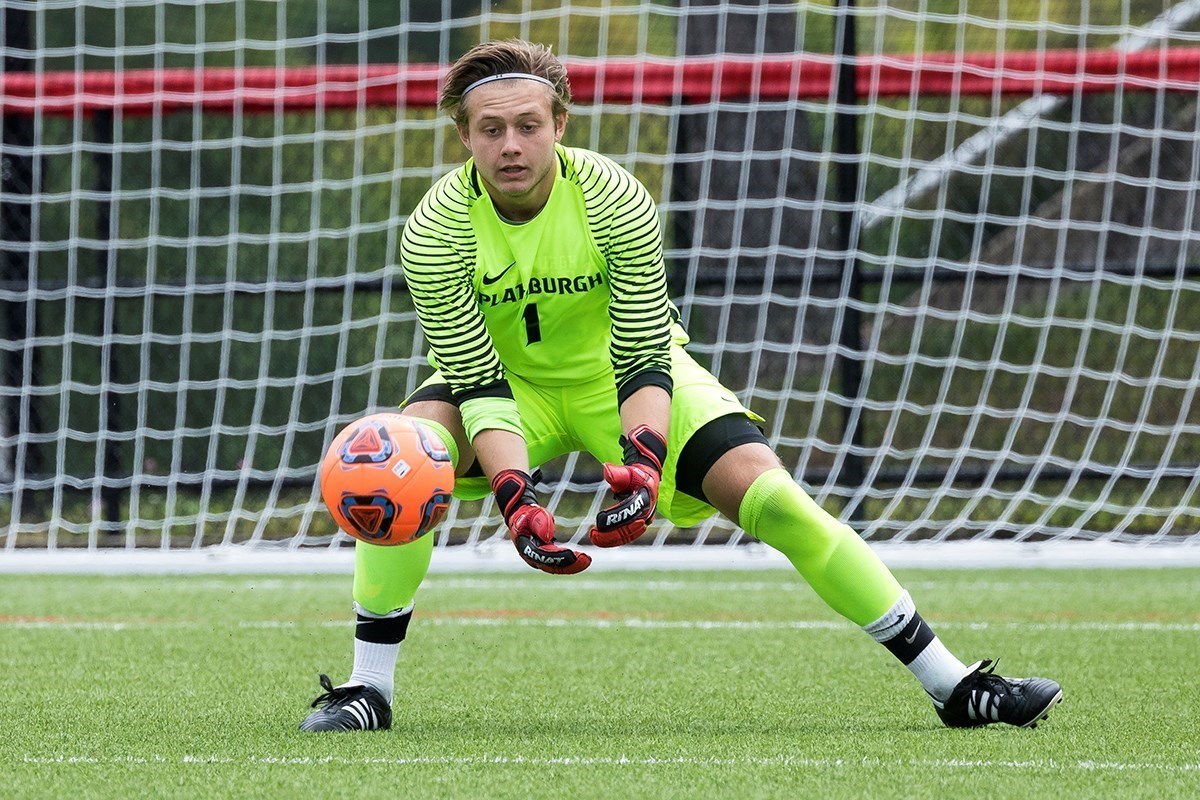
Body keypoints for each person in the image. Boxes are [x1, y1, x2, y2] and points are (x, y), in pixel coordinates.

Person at [300, 39, 1062, 732]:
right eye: (490, 130)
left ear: (559, 123)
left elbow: (641, 352)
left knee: (773, 498)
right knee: (401, 453)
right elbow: (478, 380)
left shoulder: (615, 197)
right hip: (508, 390)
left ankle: (955, 686)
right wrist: (516, 498)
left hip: (622, 380)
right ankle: (369, 690)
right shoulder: (435, 229)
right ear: (463, 137)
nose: (510, 145)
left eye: (528, 125)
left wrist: (642, 459)